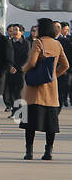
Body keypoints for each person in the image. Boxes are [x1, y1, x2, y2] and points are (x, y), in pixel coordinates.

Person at [19, 18, 70, 160]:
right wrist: (53, 75)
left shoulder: (38, 42)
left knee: (30, 123)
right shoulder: (57, 44)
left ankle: (29, 152)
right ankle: (48, 152)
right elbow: (65, 65)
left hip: (34, 90)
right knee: (51, 124)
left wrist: (23, 70)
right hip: (51, 91)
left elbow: (32, 62)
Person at [4, 23, 29, 116]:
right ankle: (14, 111)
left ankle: (21, 111)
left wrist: (18, 68)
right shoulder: (8, 42)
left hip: (20, 71)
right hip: (10, 70)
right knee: (10, 92)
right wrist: (10, 67)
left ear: (22, 32)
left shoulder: (26, 43)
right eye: (13, 30)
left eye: (16, 30)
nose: (14, 32)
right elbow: (6, 56)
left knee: (19, 92)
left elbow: (26, 57)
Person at [57, 22, 72, 107]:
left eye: (68, 30)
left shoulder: (69, 39)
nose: (66, 31)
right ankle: (62, 99)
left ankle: (65, 99)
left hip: (68, 65)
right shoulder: (58, 40)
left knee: (67, 84)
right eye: (65, 29)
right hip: (60, 65)